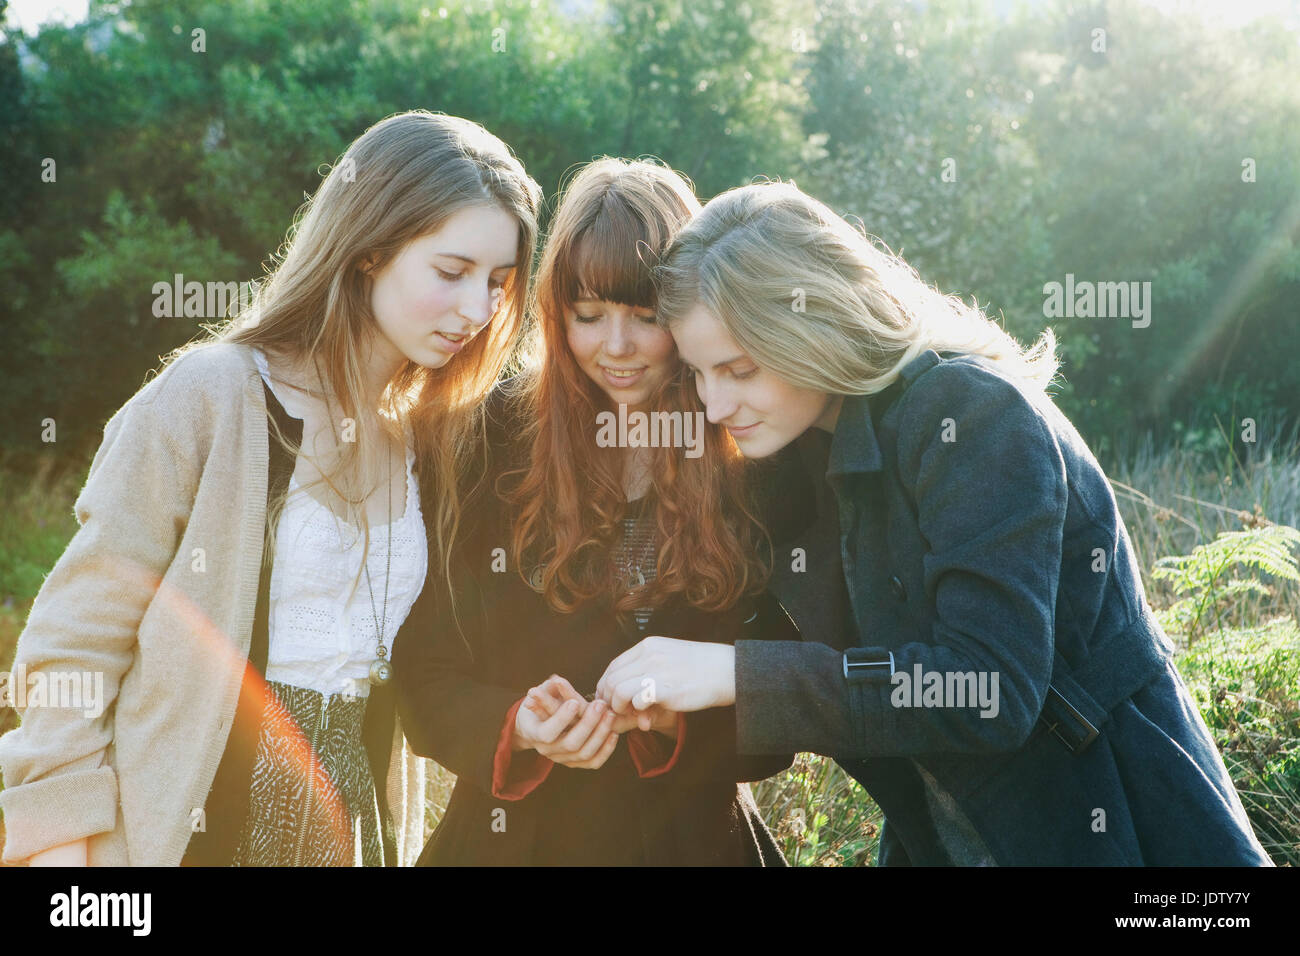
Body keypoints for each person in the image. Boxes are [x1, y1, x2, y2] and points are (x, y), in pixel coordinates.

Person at [596, 179, 1275, 866]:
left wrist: (736, 675)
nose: (714, 405)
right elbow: (812, 702)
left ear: (814, 325)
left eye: (738, 369)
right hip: (942, 837)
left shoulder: (971, 414)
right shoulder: (787, 457)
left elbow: (989, 688)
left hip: (1115, 829)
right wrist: (681, 709)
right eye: (701, 374)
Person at [0, 110, 542, 866]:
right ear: (368, 252)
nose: (478, 311)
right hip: (183, 835)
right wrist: (60, 847)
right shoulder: (211, 395)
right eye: (451, 273)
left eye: (497, 283)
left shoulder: (435, 440)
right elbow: (75, 640)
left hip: (352, 835)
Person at [392, 158, 793, 865]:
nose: (616, 348)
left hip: (694, 840)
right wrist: (519, 728)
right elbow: (424, 676)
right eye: (588, 316)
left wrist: (675, 724)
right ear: (555, 311)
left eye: (646, 318)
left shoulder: (751, 448)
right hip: (514, 842)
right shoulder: (485, 441)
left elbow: (786, 705)